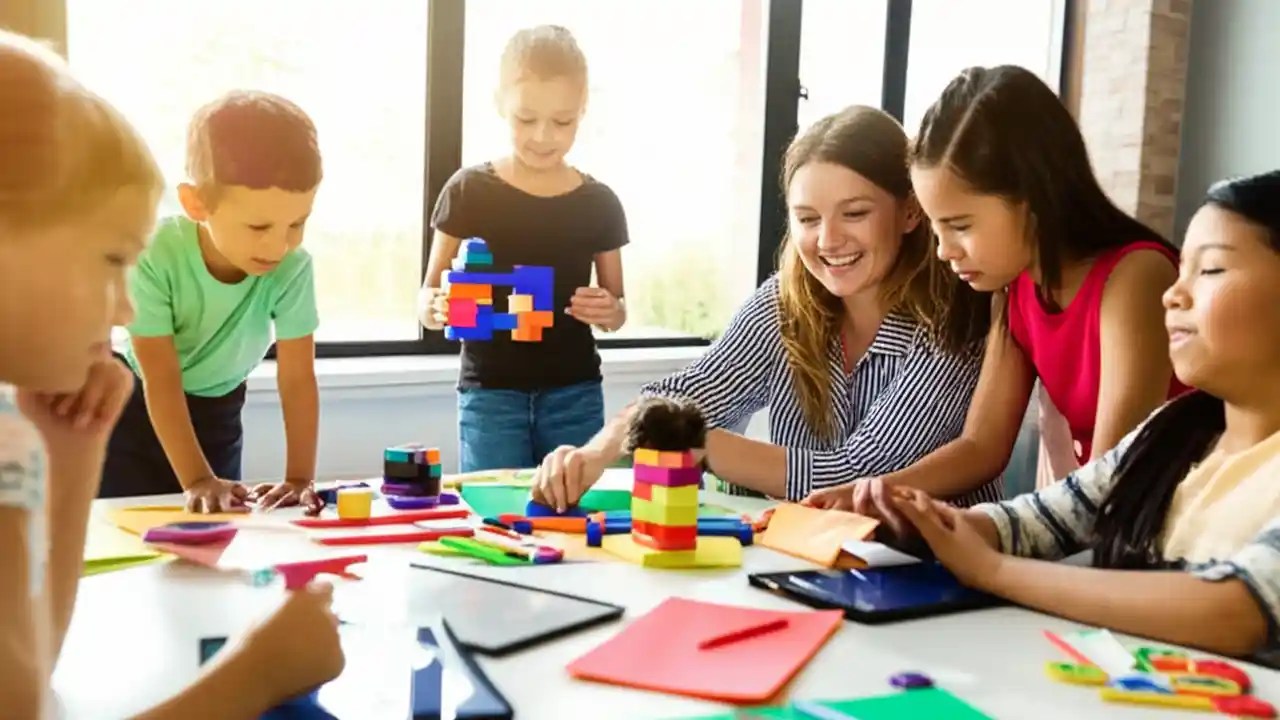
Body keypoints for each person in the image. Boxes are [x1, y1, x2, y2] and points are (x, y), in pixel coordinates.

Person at [0, 29, 342, 718]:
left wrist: (71, 453)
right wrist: (254, 675)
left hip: (204, 407)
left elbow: (28, 685)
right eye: (109, 262)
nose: (126, 304)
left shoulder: (14, 440)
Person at [882, 170, 1280, 665]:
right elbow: (1036, 521)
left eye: (1213, 270)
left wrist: (993, 571)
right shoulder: (1171, 433)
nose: (1172, 295)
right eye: (1182, 271)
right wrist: (922, 520)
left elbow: (1238, 610)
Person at [532, 105, 992, 511]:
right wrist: (594, 454)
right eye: (808, 219)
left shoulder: (949, 319)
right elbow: (687, 391)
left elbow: (857, 475)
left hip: (934, 570)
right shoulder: (783, 301)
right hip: (816, 560)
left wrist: (692, 440)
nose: (828, 240)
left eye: (855, 213)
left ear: (911, 212)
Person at [807, 66, 1186, 512]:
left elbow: (1110, 478)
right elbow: (981, 448)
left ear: (1033, 198)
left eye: (960, 225)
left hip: (1186, 525)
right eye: (935, 226)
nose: (945, 251)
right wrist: (868, 494)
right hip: (1113, 519)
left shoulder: (1135, 277)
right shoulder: (1015, 289)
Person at [101, 90, 325, 514]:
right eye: (259, 225)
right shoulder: (153, 253)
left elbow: (297, 380)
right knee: (130, 532)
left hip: (220, 409)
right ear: (196, 204)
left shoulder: (293, 267)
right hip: (134, 406)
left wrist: (300, 479)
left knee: (212, 530)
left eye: (298, 222)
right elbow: (160, 377)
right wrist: (197, 477)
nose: (280, 245)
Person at [417, 25, 628, 473]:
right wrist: (433, 307)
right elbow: (427, 294)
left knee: (573, 516)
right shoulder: (467, 191)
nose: (543, 136)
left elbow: (617, 309)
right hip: (490, 394)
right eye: (526, 118)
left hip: (574, 392)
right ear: (499, 104)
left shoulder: (600, 203)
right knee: (497, 518)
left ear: (583, 108)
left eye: (562, 121)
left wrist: (608, 310)